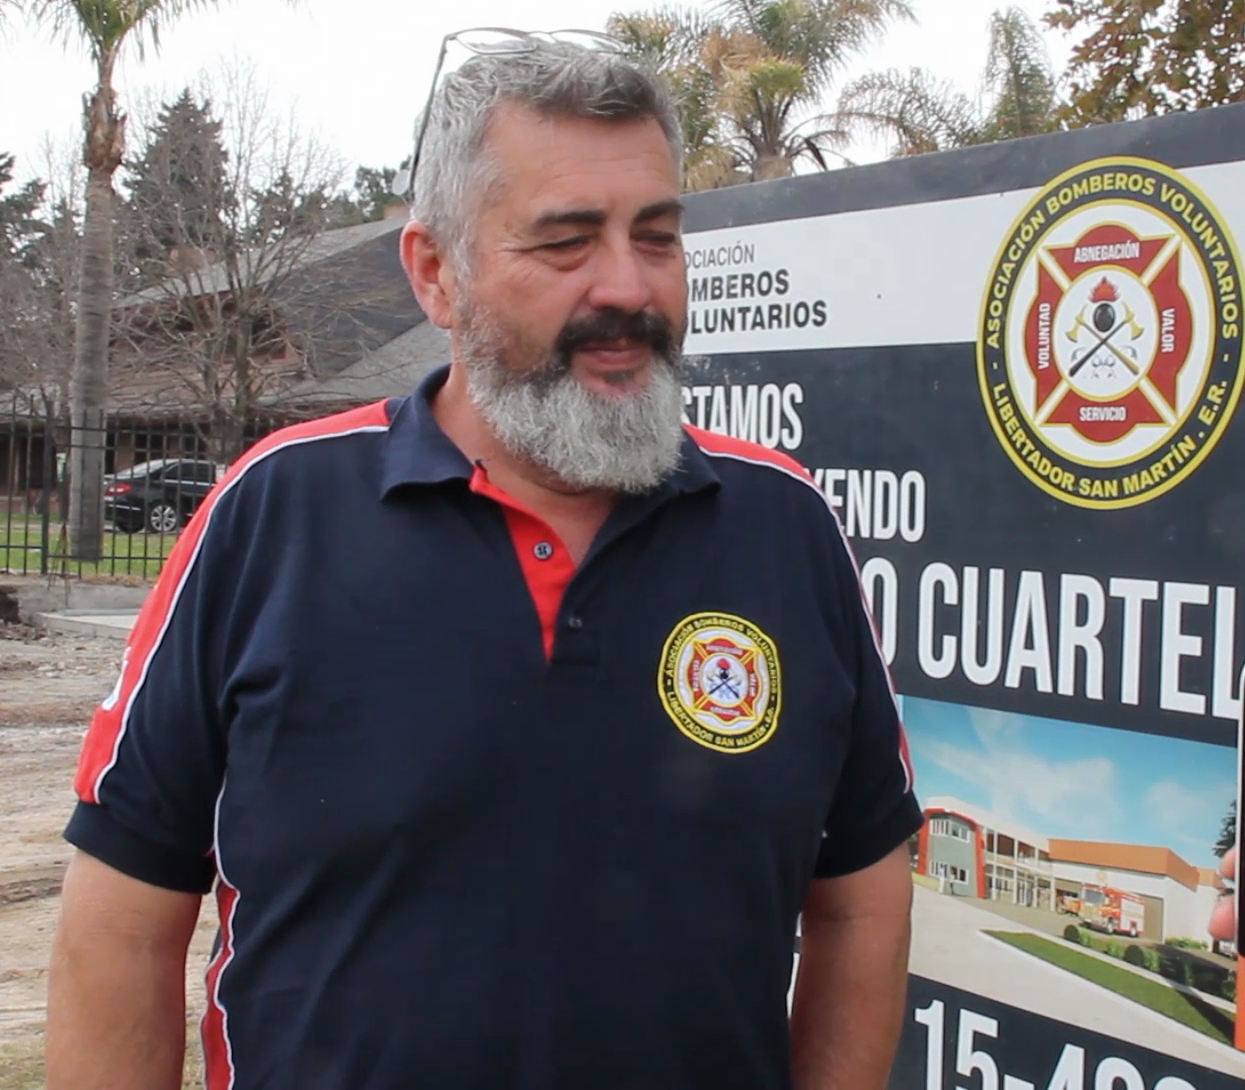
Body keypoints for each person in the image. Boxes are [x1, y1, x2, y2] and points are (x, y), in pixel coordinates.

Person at [45, 33, 922, 1090]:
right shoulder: (271, 515)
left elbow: (863, 896)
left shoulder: (786, 526)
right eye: (565, 243)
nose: (628, 288)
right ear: (435, 274)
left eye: (657, 236)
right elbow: (123, 920)